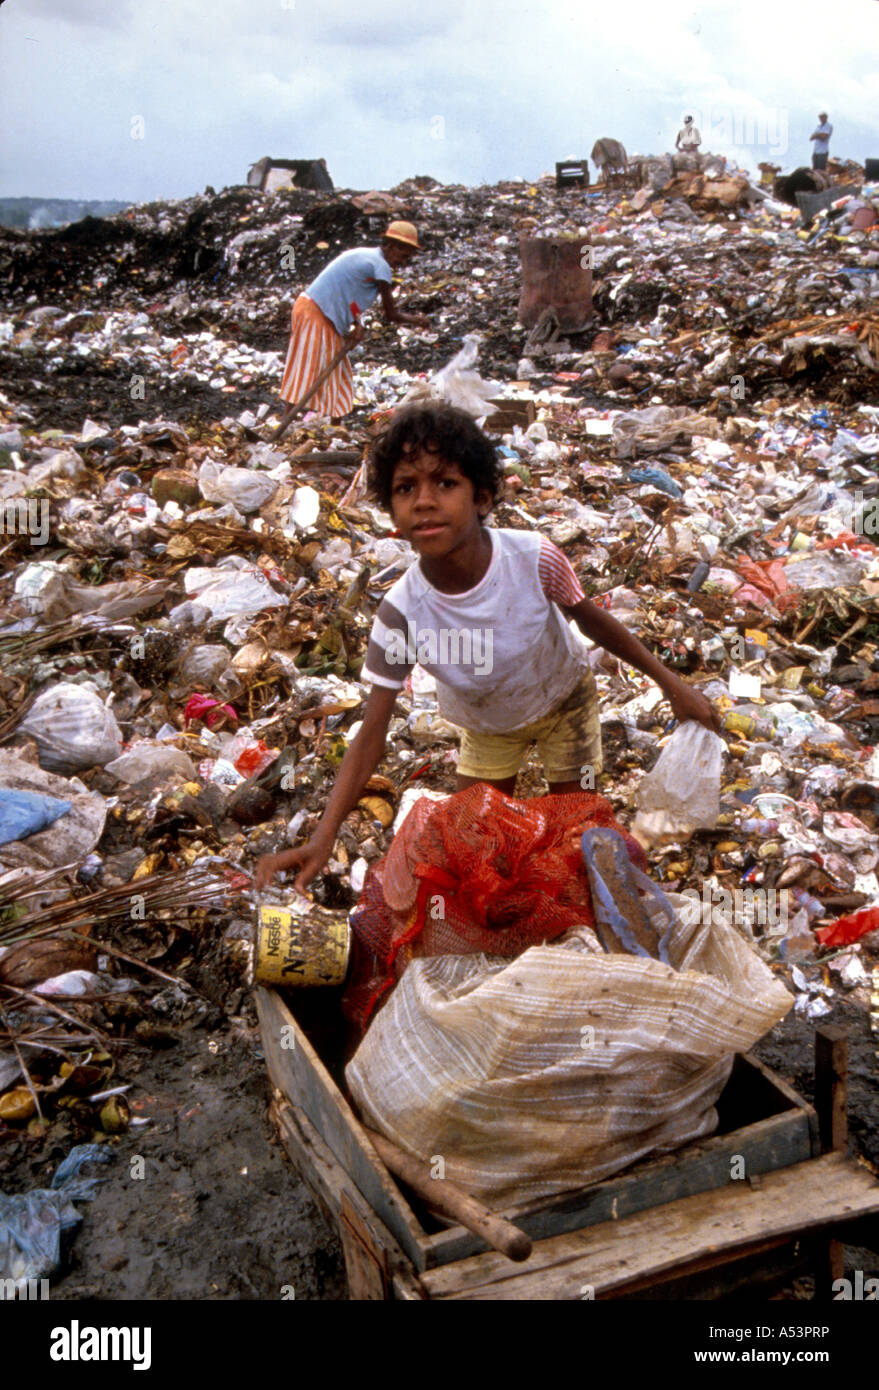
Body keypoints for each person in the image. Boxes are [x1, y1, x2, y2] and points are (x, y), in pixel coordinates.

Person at [255, 403, 720, 894]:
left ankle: (578, 921)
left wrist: (673, 685)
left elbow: (595, 621)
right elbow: (371, 732)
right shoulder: (402, 613)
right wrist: (323, 838)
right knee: (476, 846)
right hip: (486, 724)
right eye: (406, 488)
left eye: (445, 484)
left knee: (577, 830)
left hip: (565, 700)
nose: (425, 502)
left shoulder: (533, 558)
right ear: (391, 512)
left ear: (481, 498)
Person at [277, 220, 431, 420]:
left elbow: (348, 291)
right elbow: (391, 314)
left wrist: (357, 325)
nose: (402, 263)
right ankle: (286, 423)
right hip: (316, 311)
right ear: (393, 246)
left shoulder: (367, 256)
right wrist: (419, 321)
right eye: (403, 256)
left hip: (315, 309)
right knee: (309, 370)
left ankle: (334, 427)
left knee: (338, 374)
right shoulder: (380, 266)